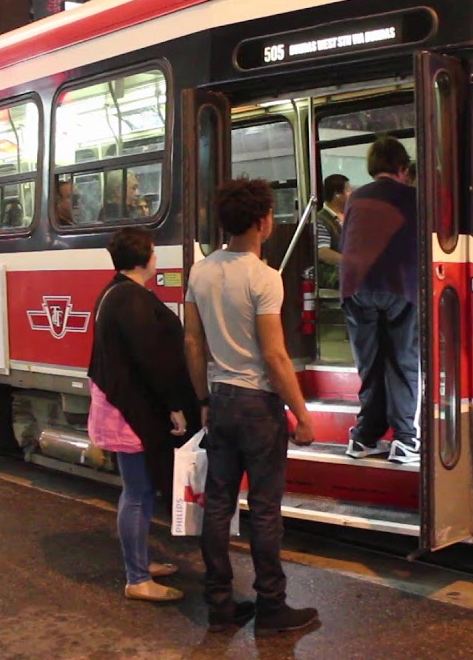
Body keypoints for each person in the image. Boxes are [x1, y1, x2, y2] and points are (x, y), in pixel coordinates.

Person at [184, 177, 320, 635]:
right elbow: (275, 355)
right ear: (264, 222)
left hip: (220, 399)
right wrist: (301, 413)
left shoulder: (200, 272)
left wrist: (203, 398)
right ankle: (272, 607)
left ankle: (220, 604)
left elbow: (192, 342)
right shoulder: (265, 278)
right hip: (258, 405)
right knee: (264, 508)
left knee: (218, 504)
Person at [87, 228, 198, 602]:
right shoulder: (129, 298)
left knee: (142, 489)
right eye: (152, 251)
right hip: (130, 413)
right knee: (137, 492)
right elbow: (151, 359)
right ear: (143, 258)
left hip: (125, 407)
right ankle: (137, 579)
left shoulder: (117, 292)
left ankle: (142, 562)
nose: (156, 256)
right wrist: (175, 406)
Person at [340, 136, 420, 464]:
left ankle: (364, 437)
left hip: (355, 287)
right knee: (403, 362)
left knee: (370, 365)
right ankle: (406, 440)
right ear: (402, 168)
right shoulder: (413, 196)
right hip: (399, 284)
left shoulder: (355, 197)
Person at [316, 174, 350, 290]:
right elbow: (323, 252)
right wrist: (351, 262)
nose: (351, 194)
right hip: (332, 272)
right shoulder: (321, 219)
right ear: (337, 194)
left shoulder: (349, 216)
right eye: (348, 190)